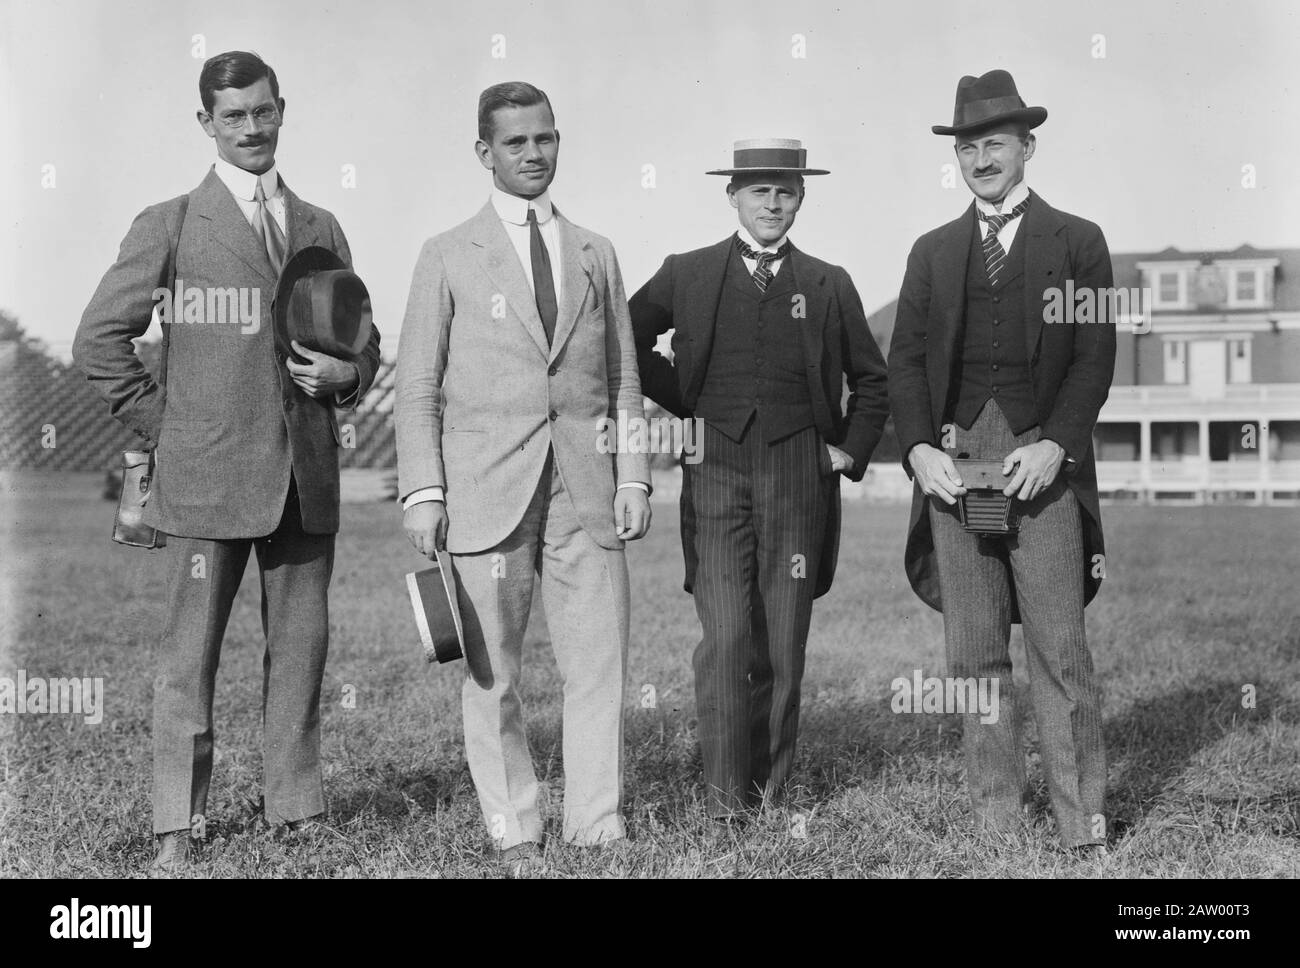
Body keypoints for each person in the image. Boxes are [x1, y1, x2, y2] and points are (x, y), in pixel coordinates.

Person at [74, 50, 381, 874]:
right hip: (205, 480)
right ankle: (177, 824)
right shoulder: (170, 223)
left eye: (264, 111)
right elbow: (98, 342)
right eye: (234, 115)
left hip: (305, 482)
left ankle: (297, 809)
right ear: (206, 124)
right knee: (188, 659)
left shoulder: (320, 225)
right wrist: (167, 428)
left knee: (303, 651)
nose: (252, 128)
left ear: (285, 110)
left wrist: (350, 375)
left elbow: (364, 339)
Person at [395, 82, 651, 873]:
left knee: (599, 666)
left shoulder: (595, 251)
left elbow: (624, 379)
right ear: (485, 154)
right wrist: (424, 490)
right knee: (491, 672)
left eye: (545, 139)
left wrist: (634, 477)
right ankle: (515, 829)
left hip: (587, 491)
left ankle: (595, 825)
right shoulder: (446, 253)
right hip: (483, 493)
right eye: (515, 143)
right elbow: (416, 385)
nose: (533, 154)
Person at [888, 70, 1115, 855]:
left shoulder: (1079, 241)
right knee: (974, 654)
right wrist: (918, 448)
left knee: (1060, 650)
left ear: (1027, 145)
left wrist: (1057, 443)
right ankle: (996, 825)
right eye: (967, 146)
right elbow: (906, 361)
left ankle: (1084, 825)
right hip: (955, 474)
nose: (980, 158)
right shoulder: (933, 251)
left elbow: (1094, 356)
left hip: (1042, 466)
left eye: (994, 142)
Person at [629, 139, 889, 820]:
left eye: (786, 191)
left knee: (782, 639)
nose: (773, 203)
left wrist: (846, 452)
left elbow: (873, 381)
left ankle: (768, 796)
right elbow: (624, 336)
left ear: (800, 198)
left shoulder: (829, 282)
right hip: (713, 470)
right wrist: (685, 398)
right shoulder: (686, 272)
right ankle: (722, 802)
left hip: (799, 473)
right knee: (724, 639)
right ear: (733, 197)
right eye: (760, 191)